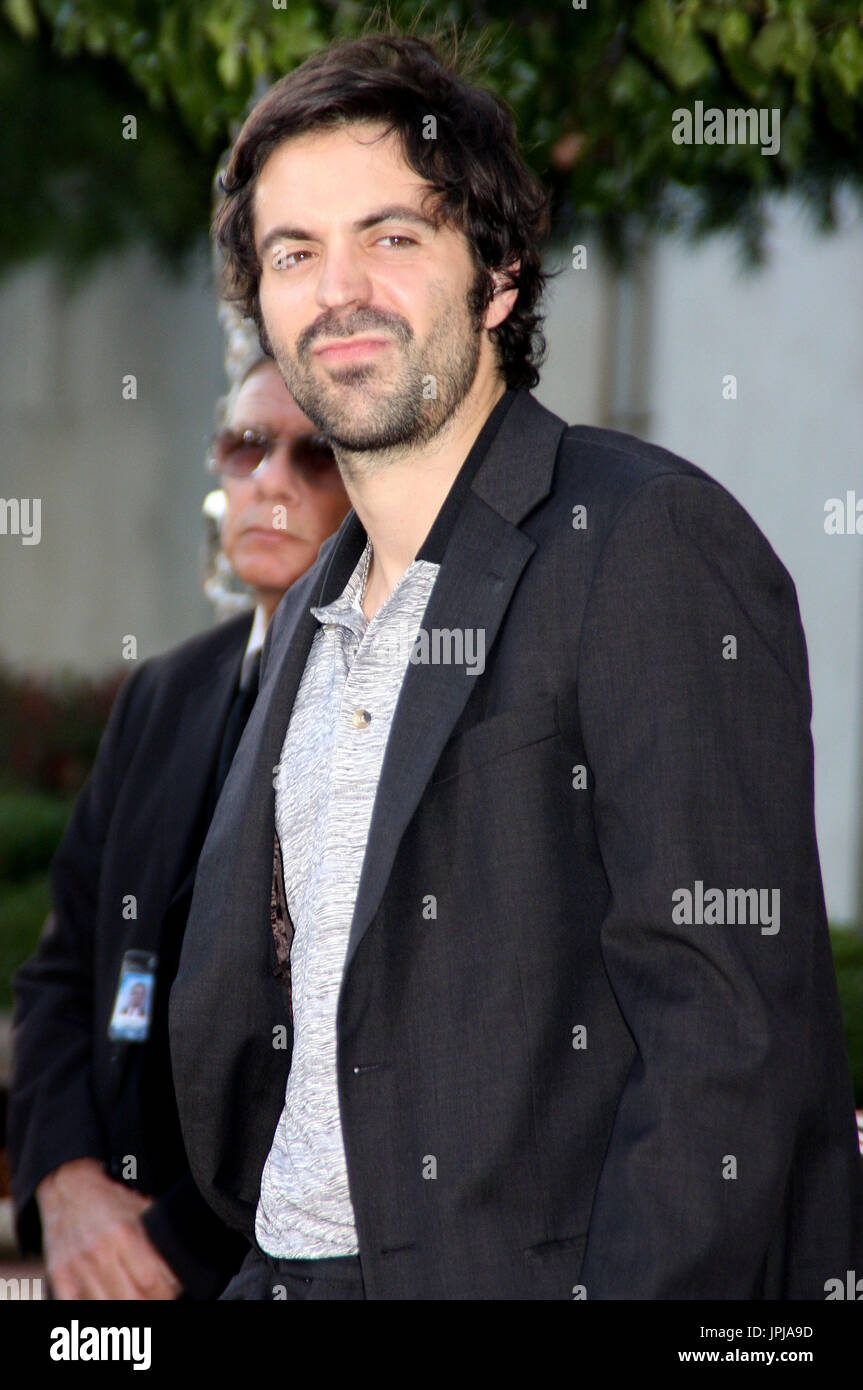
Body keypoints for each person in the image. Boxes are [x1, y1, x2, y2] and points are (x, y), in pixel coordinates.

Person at [170, 33, 863, 1301]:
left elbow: (726, 1037)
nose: (340, 290)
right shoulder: (314, 616)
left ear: (495, 273)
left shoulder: (640, 537)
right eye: (293, 252)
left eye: (391, 236)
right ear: (259, 306)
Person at [8, 354, 350, 1300]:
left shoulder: (378, 710)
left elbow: (342, 1036)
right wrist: (68, 1185)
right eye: (246, 446)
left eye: (314, 454)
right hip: (103, 1257)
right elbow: (64, 968)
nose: (269, 480)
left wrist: (168, 1244)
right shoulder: (165, 690)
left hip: (270, 1265)